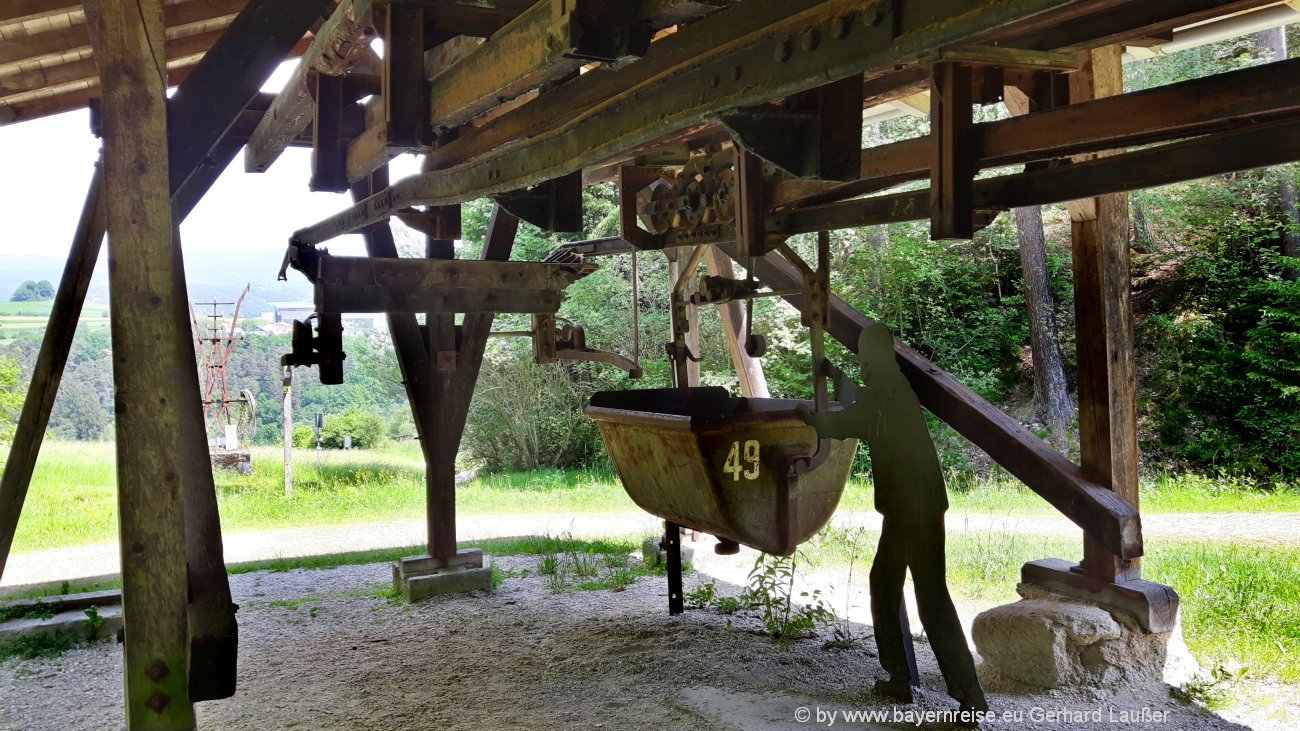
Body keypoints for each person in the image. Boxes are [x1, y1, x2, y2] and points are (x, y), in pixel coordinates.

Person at [806, 324, 987, 718]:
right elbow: (860, 403)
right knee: (890, 586)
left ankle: (966, 695)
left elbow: (841, 423)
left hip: (911, 510)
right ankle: (906, 681)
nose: (862, 364)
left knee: (930, 599)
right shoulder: (895, 385)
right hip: (918, 506)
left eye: (862, 358)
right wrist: (833, 374)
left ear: (872, 357)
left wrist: (804, 416)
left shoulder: (885, 395)